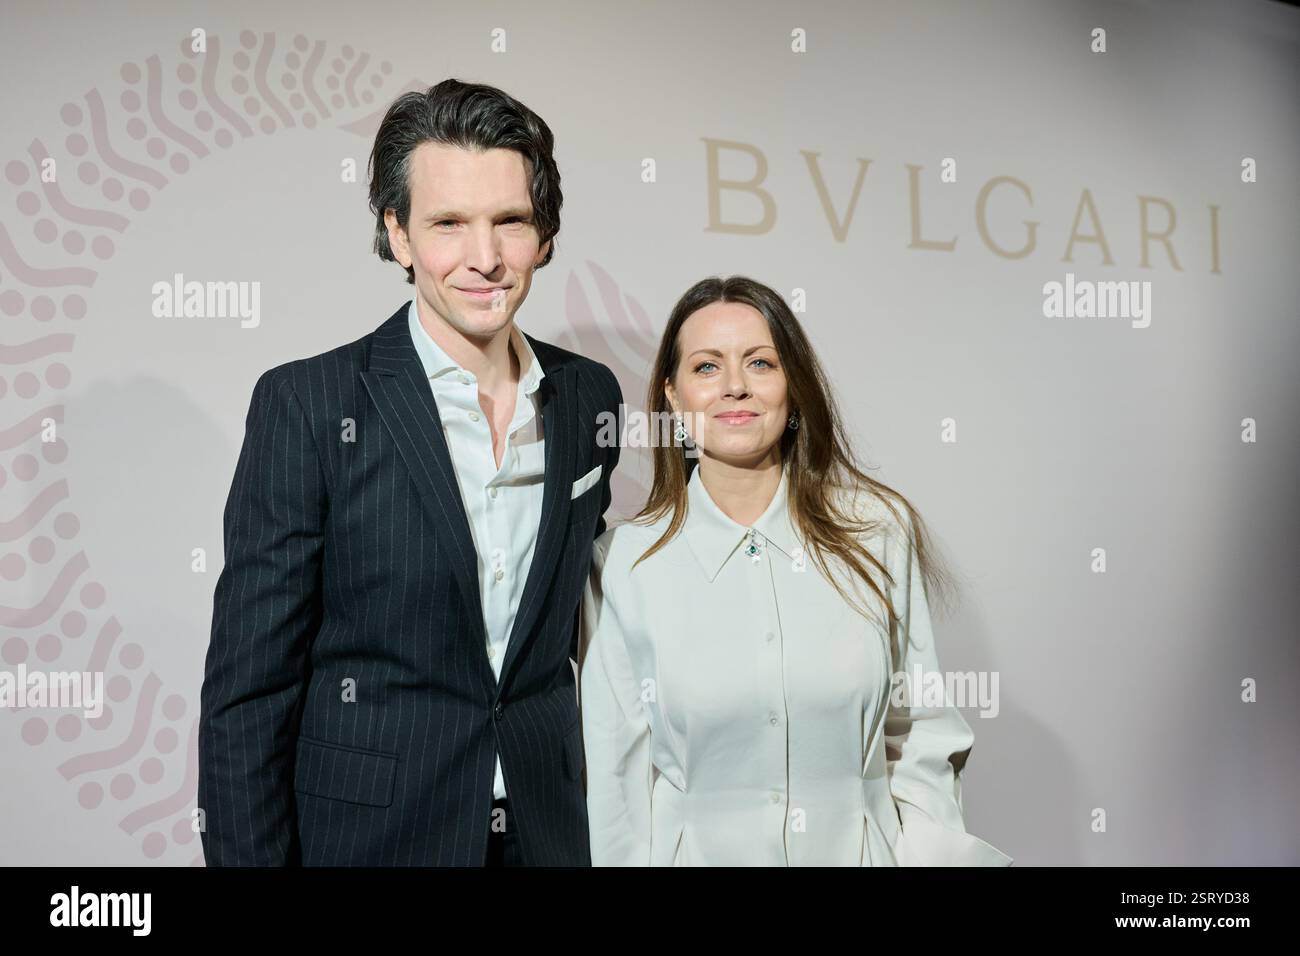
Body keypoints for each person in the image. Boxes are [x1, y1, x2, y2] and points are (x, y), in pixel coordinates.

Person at [197, 79, 621, 866]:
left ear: (547, 235)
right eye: (449, 224)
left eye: (511, 223)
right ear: (397, 234)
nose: (485, 258)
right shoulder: (310, 404)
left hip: (547, 833)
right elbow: (247, 698)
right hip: (371, 841)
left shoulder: (589, 395)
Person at [578, 275, 1011, 866]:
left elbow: (920, 733)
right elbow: (614, 776)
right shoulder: (624, 561)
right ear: (673, 397)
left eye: (760, 363)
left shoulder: (878, 531)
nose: (735, 386)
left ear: (794, 386)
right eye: (707, 367)